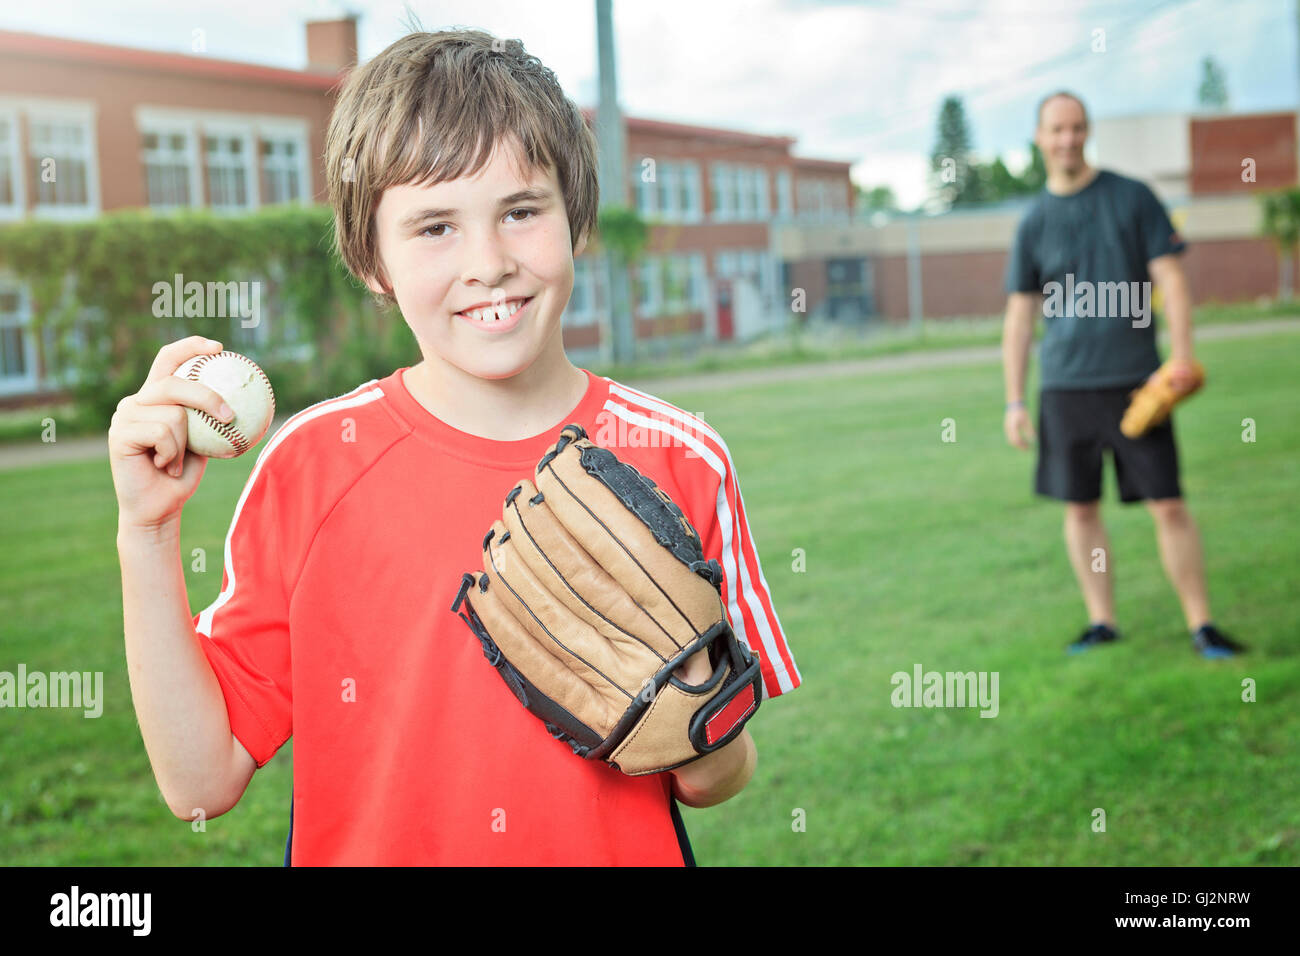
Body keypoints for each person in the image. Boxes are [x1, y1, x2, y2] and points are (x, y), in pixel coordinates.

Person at [109, 29, 801, 865]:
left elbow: (716, 779)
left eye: (520, 211)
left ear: (576, 219)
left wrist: (692, 701)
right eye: (435, 226)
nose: (489, 263)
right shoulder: (313, 463)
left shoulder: (681, 455)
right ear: (373, 260)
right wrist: (145, 535)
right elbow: (198, 781)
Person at [1000, 90, 1245, 659]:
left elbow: (1173, 281)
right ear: (1039, 137)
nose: (1068, 138)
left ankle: (1202, 625)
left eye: (1077, 127)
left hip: (1138, 382)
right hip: (1063, 387)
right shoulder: (1033, 221)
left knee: (1169, 503)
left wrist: (1180, 358)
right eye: (1057, 129)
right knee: (1080, 508)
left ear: (1088, 131)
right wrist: (1015, 400)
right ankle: (1102, 621)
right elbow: (1019, 316)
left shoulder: (1132, 198)